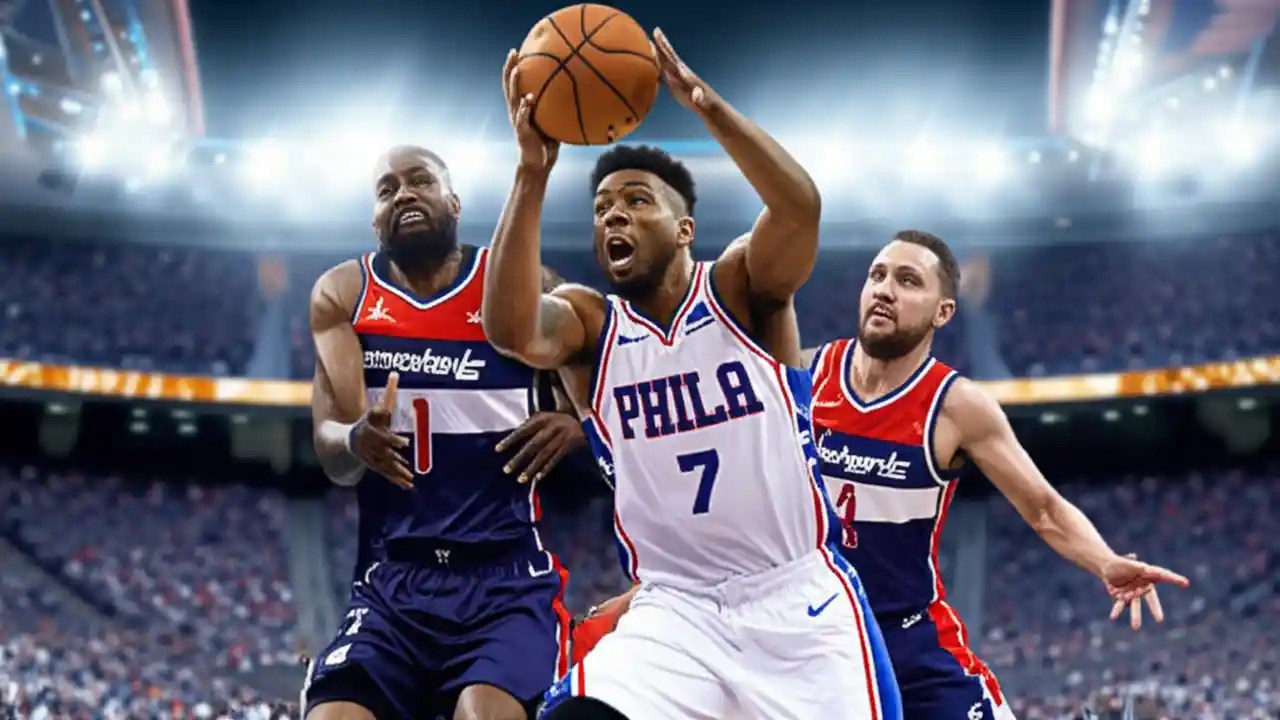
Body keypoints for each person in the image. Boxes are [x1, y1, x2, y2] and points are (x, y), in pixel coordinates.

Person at [485, 31, 900, 720]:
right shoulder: (591, 324)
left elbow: (799, 209)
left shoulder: (739, 288)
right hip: (674, 611)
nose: (614, 214)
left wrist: (707, 107)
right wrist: (531, 172)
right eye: (602, 209)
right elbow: (509, 329)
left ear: (684, 229)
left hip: (796, 601)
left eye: (637, 200)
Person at [804, 230, 1191, 719]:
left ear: (943, 311)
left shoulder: (956, 406)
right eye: (876, 275)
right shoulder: (807, 372)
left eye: (907, 280)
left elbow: (1044, 508)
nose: (884, 290)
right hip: (814, 639)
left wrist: (1105, 562)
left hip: (906, 642)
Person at [305, 144, 589, 720]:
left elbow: (611, 405)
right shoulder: (344, 296)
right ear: (375, 220)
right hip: (394, 579)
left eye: (420, 181)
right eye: (387, 190)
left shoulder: (522, 286)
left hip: (505, 579)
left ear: (454, 202)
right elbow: (334, 455)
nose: (403, 194)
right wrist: (356, 439)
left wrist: (578, 425)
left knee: (483, 713)